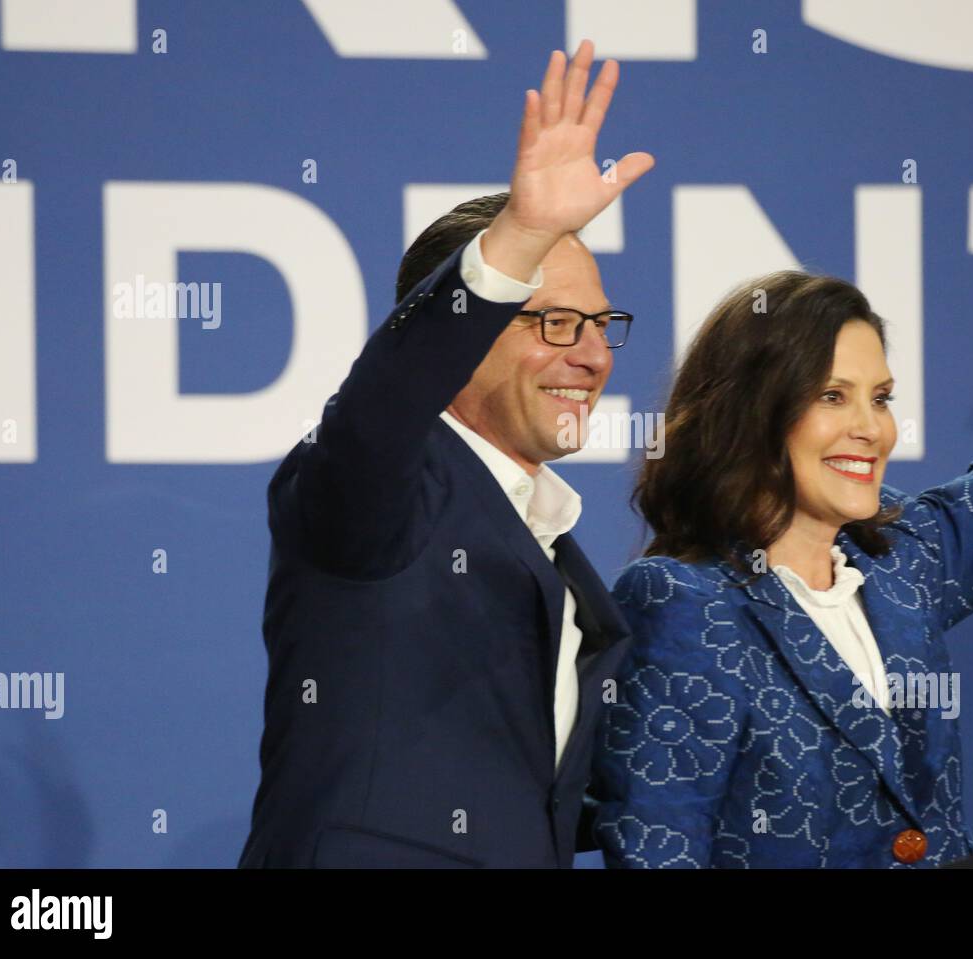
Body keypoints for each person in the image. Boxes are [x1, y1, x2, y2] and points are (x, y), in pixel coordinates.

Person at [591, 36, 973, 867]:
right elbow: (658, 847)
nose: (871, 428)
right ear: (752, 415)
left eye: (881, 396)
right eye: (833, 396)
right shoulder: (682, 603)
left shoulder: (903, 564)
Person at [238, 39, 655, 867]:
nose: (591, 356)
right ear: (462, 337)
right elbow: (384, 399)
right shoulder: (378, 489)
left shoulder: (556, 552)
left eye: (600, 325)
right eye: (555, 323)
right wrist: (519, 236)